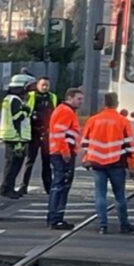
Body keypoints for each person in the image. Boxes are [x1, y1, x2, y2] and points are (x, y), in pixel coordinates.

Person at [80, 92, 134, 235]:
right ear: (117, 104)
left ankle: (103, 225)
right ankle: (124, 225)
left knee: (100, 194)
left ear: (103, 104)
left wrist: (86, 159)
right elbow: (130, 145)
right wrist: (133, 164)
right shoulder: (123, 121)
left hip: (97, 163)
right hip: (116, 162)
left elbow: (84, 143)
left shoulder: (93, 120)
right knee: (119, 195)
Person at [45, 87, 84, 230]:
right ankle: (55, 218)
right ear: (70, 98)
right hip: (62, 154)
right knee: (60, 185)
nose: (81, 102)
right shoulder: (65, 112)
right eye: (78, 99)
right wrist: (66, 152)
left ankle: (55, 217)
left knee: (60, 185)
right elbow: (59, 133)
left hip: (60, 152)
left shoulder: (65, 111)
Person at [0, 73, 34, 198]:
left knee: (13, 164)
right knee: (13, 165)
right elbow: (17, 117)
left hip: (14, 136)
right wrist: (26, 110)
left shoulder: (11, 99)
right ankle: (7, 189)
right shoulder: (14, 100)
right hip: (15, 137)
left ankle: (8, 188)